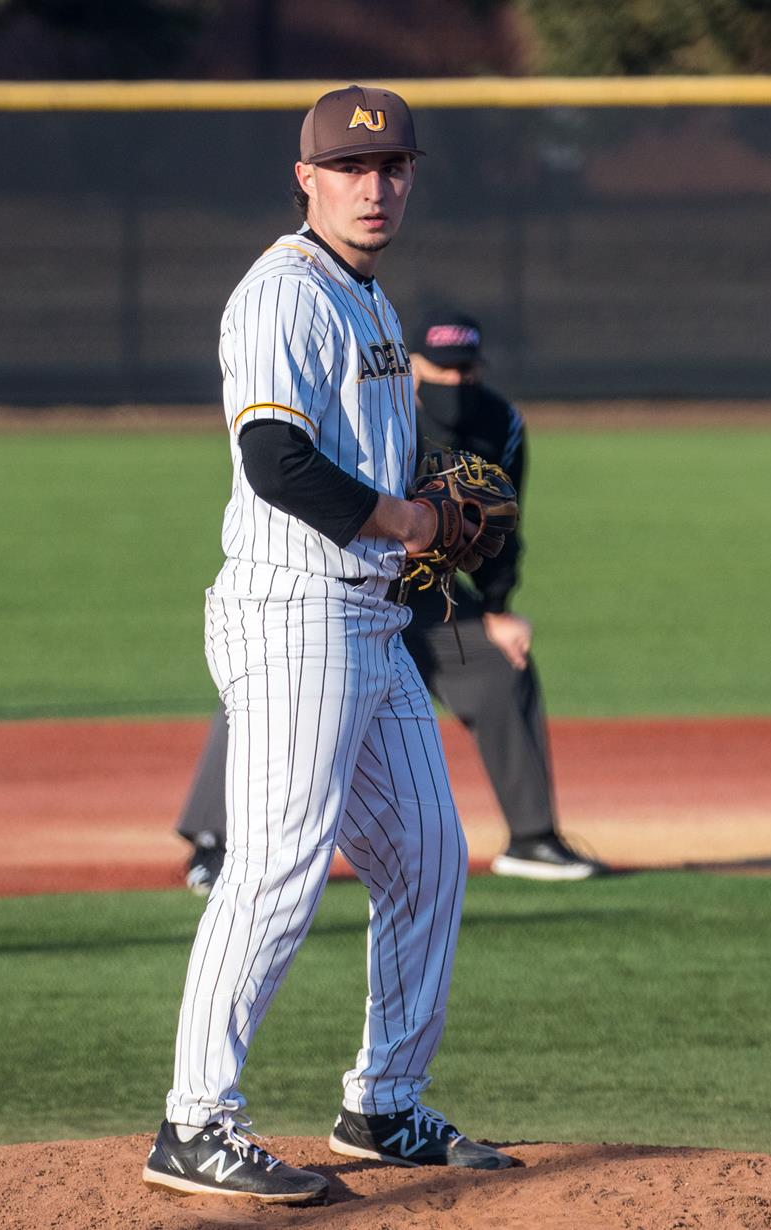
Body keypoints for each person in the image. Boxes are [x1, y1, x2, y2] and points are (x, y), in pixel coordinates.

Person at [141, 85, 517, 1206]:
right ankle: (193, 1122)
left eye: (393, 167)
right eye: (352, 169)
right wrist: (407, 520)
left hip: (365, 618)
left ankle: (382, 1104)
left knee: (429, 861)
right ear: (304, 178)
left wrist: (418, 517)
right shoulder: (281, 297)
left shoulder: (372, 304)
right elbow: (276, 465)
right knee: (277, 862)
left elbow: (377, 473)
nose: (375, 185)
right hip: (293, 611)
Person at [176, 308, 607, 895]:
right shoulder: (382, 406)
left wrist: (500, 609)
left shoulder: (501, 422)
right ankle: (215, 844)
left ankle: (532, 838)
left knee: (501, 665)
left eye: (465, 370)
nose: (454, 382)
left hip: (428, 596)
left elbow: (503, 526)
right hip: (341, 583)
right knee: (275, 683)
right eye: (441, 369)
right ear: (414, 365)